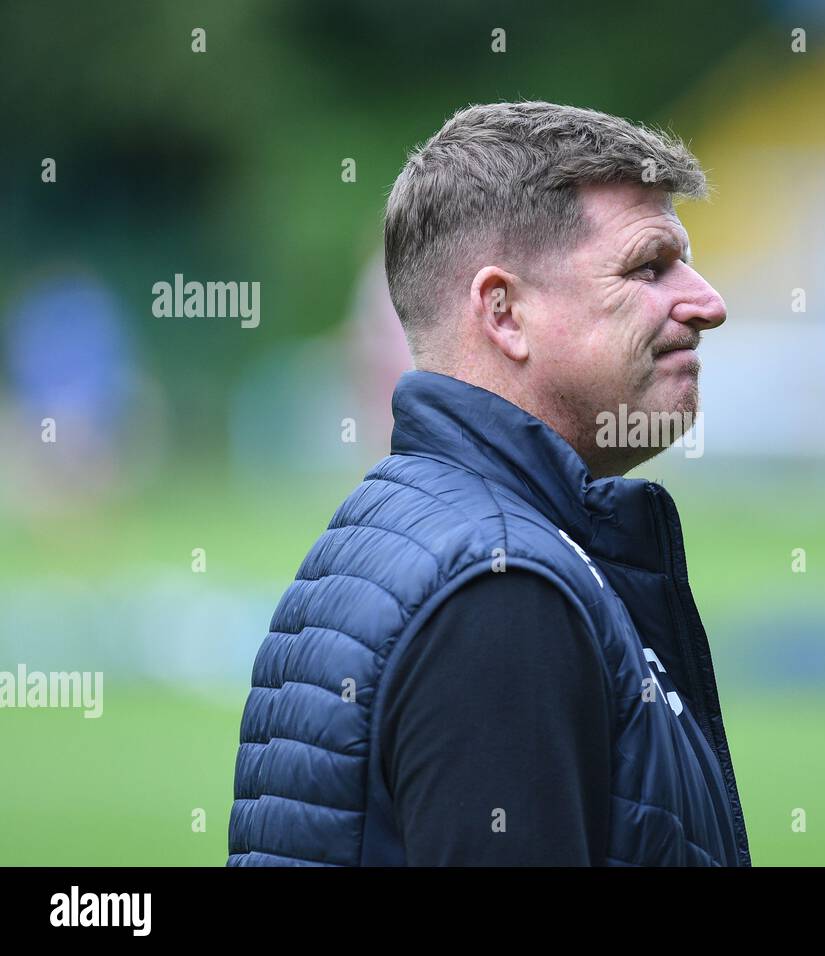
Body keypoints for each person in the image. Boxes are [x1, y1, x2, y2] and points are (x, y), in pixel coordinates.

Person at [228, 100, 750, 866]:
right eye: (649, 265)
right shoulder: (503, 588)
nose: (708, 303)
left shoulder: (407, 532)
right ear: (503, 313)